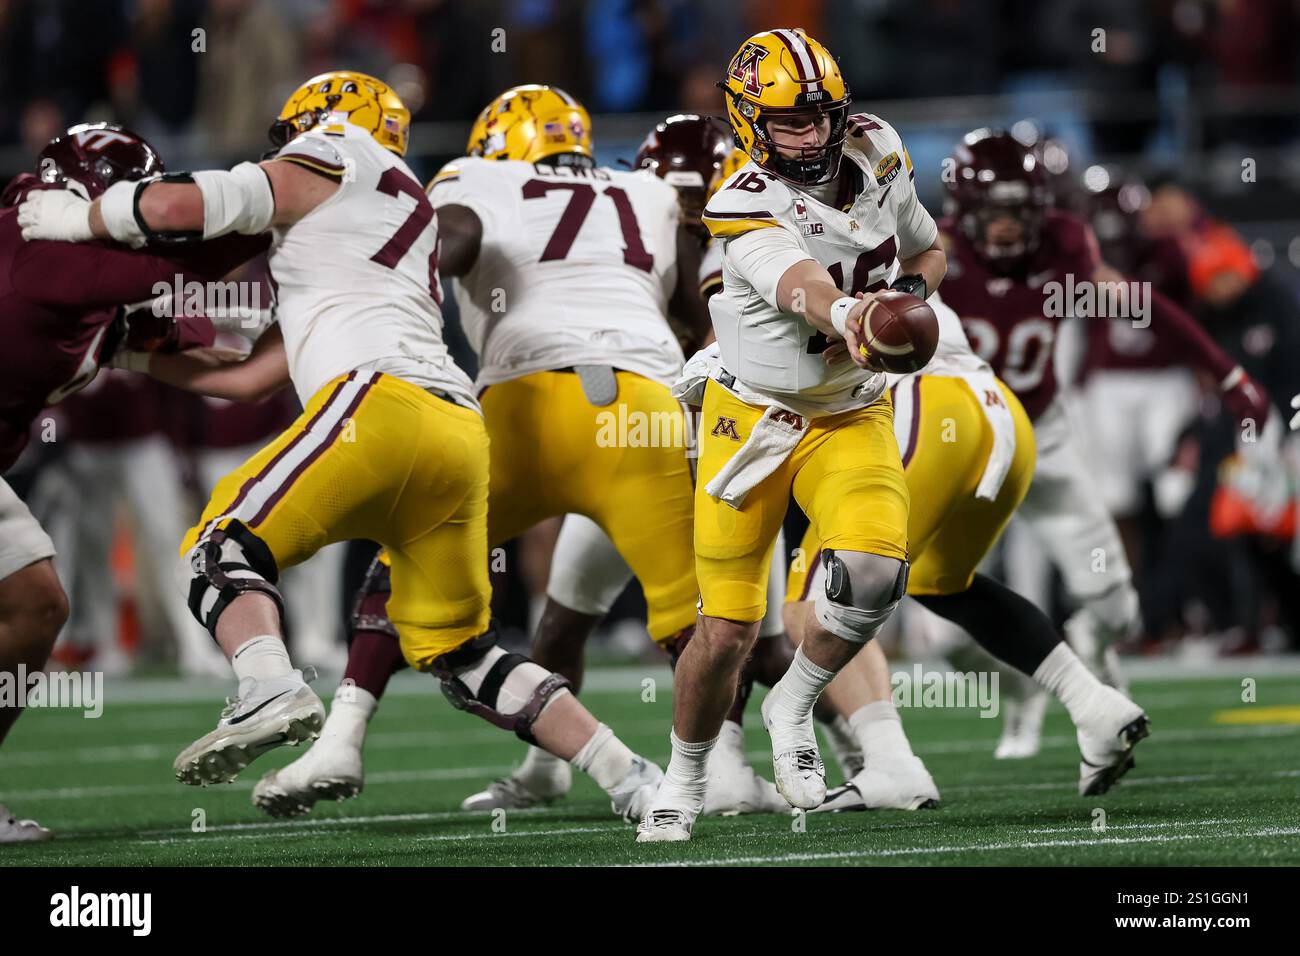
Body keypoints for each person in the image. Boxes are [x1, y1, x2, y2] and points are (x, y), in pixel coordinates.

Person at [20, 74, 662, 822]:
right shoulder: (401, 207)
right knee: (462, 654)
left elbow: (180, 205)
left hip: (376, 405)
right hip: (455, 427)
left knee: (218, 549)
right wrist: (128, 355)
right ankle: (630, 775)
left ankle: (267, 686)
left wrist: (79, 216)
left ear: (322, 123)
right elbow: (250, 376)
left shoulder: (338, 151)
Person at [637, 28, 946, 842]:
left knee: (876, 575)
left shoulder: (878, 149)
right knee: (727, 630)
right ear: (748, 123)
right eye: (789, 122)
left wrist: (909, 298)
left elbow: (929, 249)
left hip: (851, 412)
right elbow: (804, 286)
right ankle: (686, 773)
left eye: (820, 116)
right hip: (752, 420)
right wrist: (857, 314)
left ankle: (795, 701)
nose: (809, 136)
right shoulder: (741, 198)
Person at [2, 122, 263, 841]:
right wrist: (278, 207)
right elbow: (183, 274)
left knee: (35, 605)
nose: (139, 216)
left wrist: (286, 338)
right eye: (130, 199)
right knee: (34, 598)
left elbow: (195, 348)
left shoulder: (77, 277)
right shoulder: (41, 244)